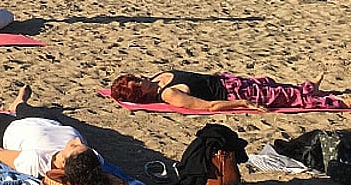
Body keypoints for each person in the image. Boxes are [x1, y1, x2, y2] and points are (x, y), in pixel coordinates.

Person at [109, 70, 347, 111]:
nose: (141, 78)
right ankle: (341, 102)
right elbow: (208, 106)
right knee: (289, 99)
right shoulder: (169, 94)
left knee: (276, 86)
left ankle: (310, 87)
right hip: (232, 94)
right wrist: (242, 103)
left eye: (136, 77)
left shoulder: (157, 79)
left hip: (228, 81)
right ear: (141, 94)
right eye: (138, 83)